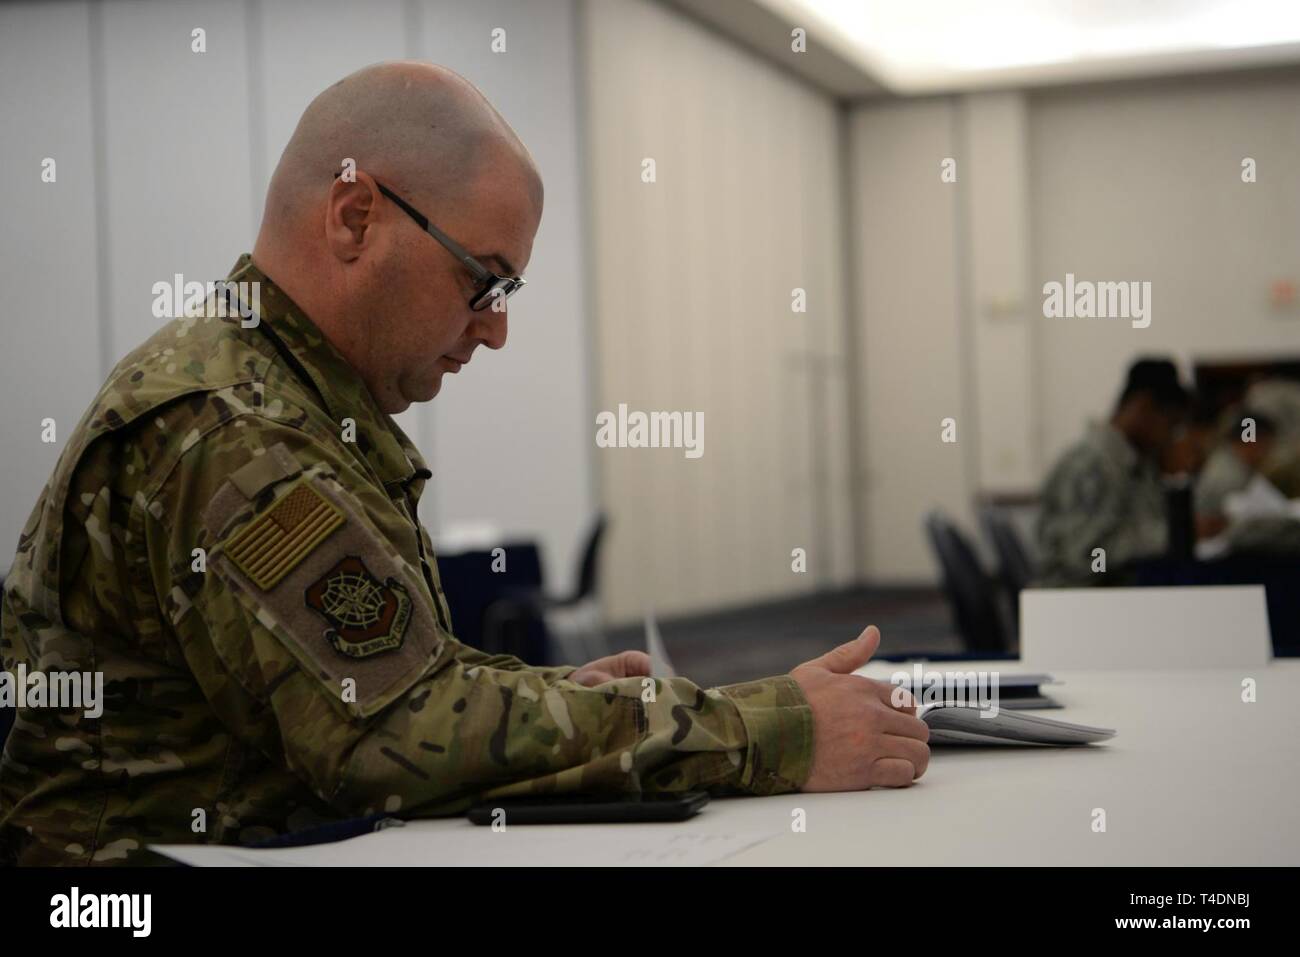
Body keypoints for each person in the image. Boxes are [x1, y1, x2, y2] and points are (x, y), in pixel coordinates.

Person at [0, 62, 928, 866]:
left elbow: (388, 686)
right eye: (481, 278)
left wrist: (541, 704)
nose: (495, 327)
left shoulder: (282, 397)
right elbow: (397, 734)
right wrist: (771, 726)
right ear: (356, 215)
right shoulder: (231, 428)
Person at [1036, 358, 1189, 585]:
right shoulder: (1092, 465)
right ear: (1143, 407)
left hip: (1109, 597)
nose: (1170, 437)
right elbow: (1084, 557)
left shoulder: (1133, 462)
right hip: (1079, 602)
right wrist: (1171, 536)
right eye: (1171, 424)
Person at [1195, 409, 1279, 540]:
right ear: (1252, 442)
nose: (1268, 451)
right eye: (1266, 443)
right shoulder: (1228, 474)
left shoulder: (1235, 463)